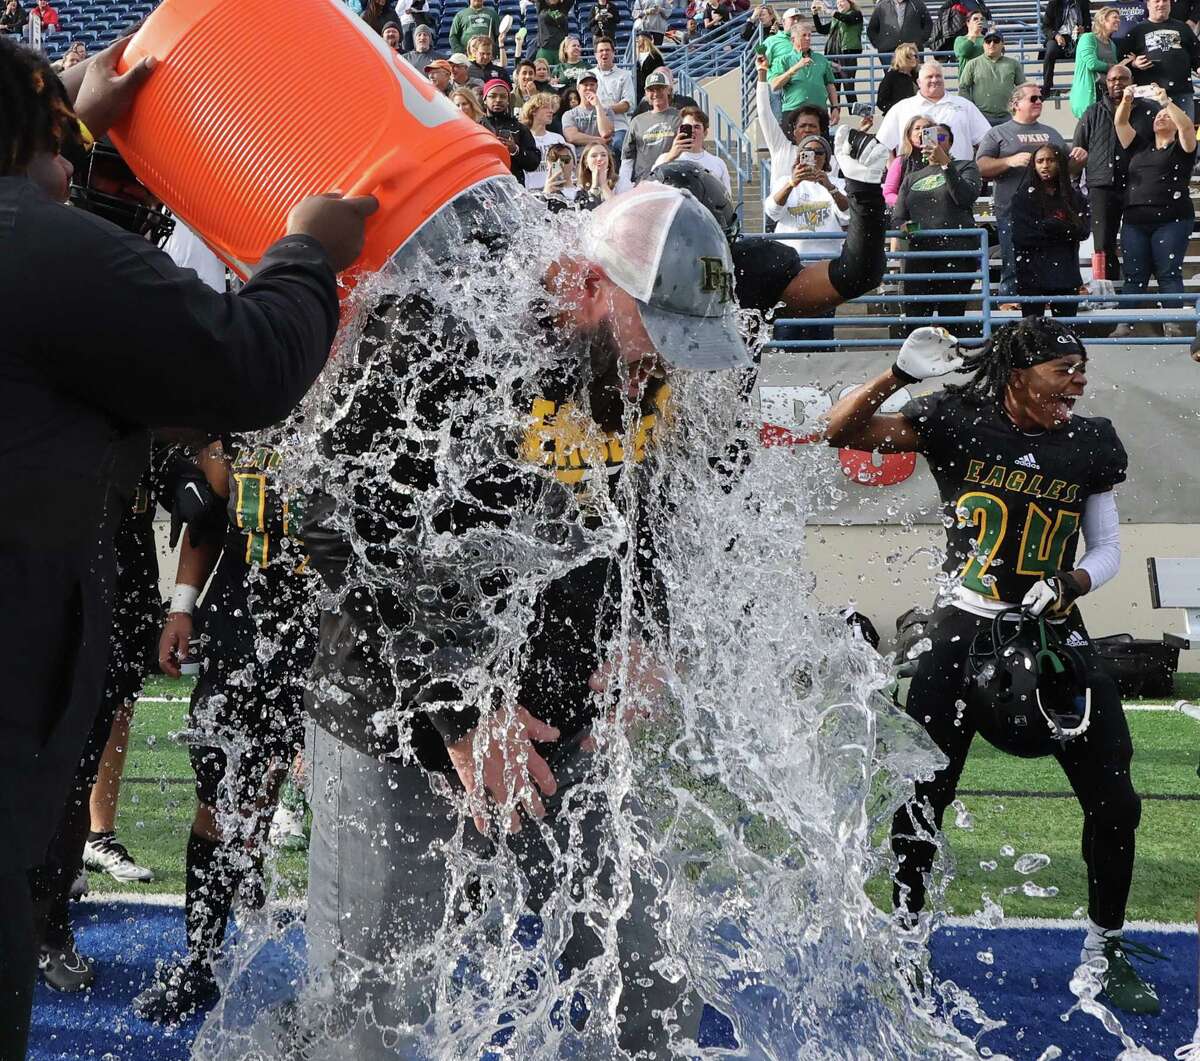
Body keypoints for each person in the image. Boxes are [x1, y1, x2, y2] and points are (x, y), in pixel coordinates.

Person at [297, 182, 748, 1060]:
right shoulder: (445, 326)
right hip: (398, 722)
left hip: (554, 726)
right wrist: (467, 711)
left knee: (652, 984)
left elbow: (644, 510)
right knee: (369, 1021)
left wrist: (642, 629)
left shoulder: (632, 369)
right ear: (583, 283)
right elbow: (339, 521)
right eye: (654, 337)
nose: (660, 366)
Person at [0, 34, 372, 1059]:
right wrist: (304, 255)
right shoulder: (31, 238)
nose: (71, 168)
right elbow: (238, 367)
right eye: (59, 142)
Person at [824, 318, 1159, 1018]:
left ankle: (1106, 948)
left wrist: (1068, 584)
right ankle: (909, 936)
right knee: (922, 795)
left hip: (1053, 625)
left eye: (1081, 369)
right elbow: (842, 432)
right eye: (1063, 368)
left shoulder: (1090, 441)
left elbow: (1107, 548)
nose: (1078, 381)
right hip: (962, 625)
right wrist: (897, 376)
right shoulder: (955, 418)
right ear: (1019, 371)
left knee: (1116, 798)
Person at [133, 438, 320, 1023]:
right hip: (246, 616)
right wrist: (181, 606)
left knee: (339, 795)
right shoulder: (246, 411)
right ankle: (203, 959)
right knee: (222, 788)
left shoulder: (365, 394)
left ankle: (339, 977)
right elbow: (207, 518)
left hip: (337, 620)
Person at [975, 84, 1079, 300]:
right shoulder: (998, 133)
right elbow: (981, 167)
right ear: (1015, 104)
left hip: (1052, 212)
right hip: (1013, 212)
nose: (1039, 101)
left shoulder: (1052, 133)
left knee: (1053, 265)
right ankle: (1013, 312)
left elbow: (1068, 171)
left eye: (1040, 98)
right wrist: (1009, 161)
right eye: (1033, 98)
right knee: (1014, 265)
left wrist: (1078, 161)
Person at [1112, 80, 1197, 337]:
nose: (1161, 117)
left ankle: (1173, 322)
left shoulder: (1183, 147)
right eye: (1158, 116)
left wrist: (1165, 101)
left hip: (1172, 219)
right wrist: (1126, 101)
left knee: (1168, 272)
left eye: (1165, 116)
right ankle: (1125, 324)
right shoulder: (1140, 146)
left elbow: (1185, 126)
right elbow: (1121, 124)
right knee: (1134, 274)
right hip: (1135, 219)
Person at [892, 124, 983, 328]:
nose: (936, 141)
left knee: (951, 320)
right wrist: (911, 229)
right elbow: (898, 218)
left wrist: (946, 164)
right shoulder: (911, 177)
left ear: (950, 142)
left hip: (956, 255)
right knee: (917, 322)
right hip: (919, 257)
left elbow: (965, 197)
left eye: (941, 138)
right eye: (931, 136)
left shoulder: (966, 166)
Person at [1073, 64, 1153, 281]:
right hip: (1102, 186)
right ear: (1106, 83)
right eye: (1112, 79)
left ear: (1131, 81)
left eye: (1122, 79)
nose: (1117, 83)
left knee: (1138, 241)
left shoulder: (1148, 110)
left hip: (1139, 185)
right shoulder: (1092, 112)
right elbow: (1078, 151)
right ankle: (1106, 291)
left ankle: (1136, 291)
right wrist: (1073, 188)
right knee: (1102, 244)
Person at [1012, 144, 1090, 318]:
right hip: (1032, 274)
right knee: (1032, 330)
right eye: (1040, 161)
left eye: (1050, 160)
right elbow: (1022, 236)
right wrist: (1060, 230)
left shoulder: (1073, 197)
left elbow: (1083, 231)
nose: (1045, 165)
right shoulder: (1023, 196)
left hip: (1065, 273)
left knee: (1065, 330)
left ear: (1060, 163)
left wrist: (1055, 227)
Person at [876, 59, 991, 160]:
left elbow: (986, 140)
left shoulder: (964, 105)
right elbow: (884, 146)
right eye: (929, 77)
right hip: (914, 177)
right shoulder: (902, 108)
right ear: (919, 83)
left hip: (958, 174)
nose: (935, 80)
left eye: (938, 76)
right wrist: (893, 172)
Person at [763, 133, 849, 259]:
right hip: (788, 259)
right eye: (808, 151)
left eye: (819, 152)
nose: (813, 156)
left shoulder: (838, 184)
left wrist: (830, 187)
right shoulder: (784, 181)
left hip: (827, 259)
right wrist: (792, 183)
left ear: (826, 158)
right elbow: (772, 212)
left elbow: (848, 215)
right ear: (799, 156)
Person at [1120, 0, 1200, 116]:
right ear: (1148, 4)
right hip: (1149, 94)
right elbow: (1121, 60)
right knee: (1149, 133)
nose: (1161, 4)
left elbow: (1196, 55)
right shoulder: (1136, 31)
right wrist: (1134, 64)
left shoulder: (1183, 28)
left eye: (1165, 1)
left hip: (1182, 92)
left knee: (1184, 132)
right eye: (1156, 1)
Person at [769, 19, 839, 131]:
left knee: (821, 147)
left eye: (809, 35)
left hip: (819, 113)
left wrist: (835, 107)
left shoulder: (821, 59)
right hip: (793, 112)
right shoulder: (783, 60)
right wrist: (795, 68)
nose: (808, 38)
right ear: (793, 39)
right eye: (804, 35)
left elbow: (830, 86)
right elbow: (774, 85)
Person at [620, 69, 680, 185]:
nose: (656, 93)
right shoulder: (637, 121)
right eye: (651, 90)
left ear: (668, 90)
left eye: (659, 88)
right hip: (643, 182)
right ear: (646, 93)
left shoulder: (679, 117)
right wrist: (624, 184)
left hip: (672, 181)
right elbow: (627, 157)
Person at [650, 104, 732, 190]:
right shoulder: (664, 158)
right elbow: (652, 185)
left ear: (705, 133)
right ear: (679, 130)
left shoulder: (718, 164)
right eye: (687, 127)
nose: (692, 131)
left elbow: (727, 198)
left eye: (696, 127)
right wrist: (671, 157)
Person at [1071, 6, 1128, 116]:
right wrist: (1114, 67)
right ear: (1103, 20)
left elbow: (1114, 68)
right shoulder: (1088, 38)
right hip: (1090, 93)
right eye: (1114, 17)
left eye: (1119, 18)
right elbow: (1092, 63)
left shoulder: (1111, 44)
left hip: (1106, 93)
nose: (1118, 20)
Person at [480, 78, 541, 182]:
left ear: (508, 101)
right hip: (484, 187)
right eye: (493, 96)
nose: (498, 100)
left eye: (503, 96)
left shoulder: (520, 128)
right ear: (485, 99)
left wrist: (515, 150)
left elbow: (533, 163)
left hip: (513, 187)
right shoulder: (477, 127)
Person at [959, 30, 1026, 124]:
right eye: (988, 41)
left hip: (1007, 116)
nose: (992, 44)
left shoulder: (1013, 64)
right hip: (980, 117)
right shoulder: (972, 64)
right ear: (983, 44)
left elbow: (1023, 88)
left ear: (1002, 44)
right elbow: (963, 88)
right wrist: (971, 109)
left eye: (996, 41)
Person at [812, 0, 863, 105]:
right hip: (832, 56)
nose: (839, 3)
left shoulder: (856, 14)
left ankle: (854, 114)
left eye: (842, 1)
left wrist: (827, 10)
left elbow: (847, 19)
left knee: (849, 88)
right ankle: (835, 114)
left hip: (847, 56)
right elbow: (821, 29)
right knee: (834, 90)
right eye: (838, 2)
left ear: (850, 2)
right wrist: (815, 15)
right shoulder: (836, 19)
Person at [592, 36, 635, 155]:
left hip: (618, 126)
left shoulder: (625, 75)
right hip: (593, 126)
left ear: (613, 53)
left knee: (619, 144)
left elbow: (628, 104)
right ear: (595, 55)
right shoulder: (589, 75)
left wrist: (604, 109)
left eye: (607, 50)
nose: (604, 53)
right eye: (601, 51)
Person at [883, 112, 935, 205]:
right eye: (917, 128)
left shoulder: (943, 159)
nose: (921, 132)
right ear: (909, 135)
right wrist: (908, 203)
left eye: (926, 129)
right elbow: (888, 193)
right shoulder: (901, 161)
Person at [521, 91, 567, 189]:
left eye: (551, 108)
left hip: (554, 190)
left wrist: (554, 167)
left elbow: (567, 162)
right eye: (546, 107)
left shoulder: (557, 139)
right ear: (533, 111)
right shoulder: (523, 138)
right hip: (530, 192)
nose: (551, 111)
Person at [562, 70, 617, 149]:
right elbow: (572, 137)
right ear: (578, 88)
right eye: (585, 85)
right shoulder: (569, 114)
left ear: (596, 87)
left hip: (603, 155)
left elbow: (605, 133)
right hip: (580, 157)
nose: (589, 88)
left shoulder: (607, 110)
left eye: (592, 84)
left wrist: (598, 105)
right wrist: (599, 140)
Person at [1042, 0, 1089, 93]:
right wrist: (1056, 35)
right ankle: (1047, 87)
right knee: (1051, 50)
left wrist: (1083, 29)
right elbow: (1046, 27)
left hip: (1077, 37)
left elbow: (1088, 25)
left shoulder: (1083, 2)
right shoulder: (1053, 3)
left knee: (1086, 51)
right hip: (1057, 37)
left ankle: (1085, 85)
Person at [866, 0, 932, 54]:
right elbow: (872, 29)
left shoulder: (918, 4)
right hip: (888, 51)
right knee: (891, 70)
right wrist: (880, 45)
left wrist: (920, 41)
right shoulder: (881, 6)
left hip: (912, 51)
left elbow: (928, 24)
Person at [876, 41, 920, 114]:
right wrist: (899, 109)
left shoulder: (918, 75)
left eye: (915, 56)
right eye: (910, 56)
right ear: (902, 57)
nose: (914, 58)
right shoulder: (891, 76)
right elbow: (881, 102)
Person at [576, 141, 619, 207]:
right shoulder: (579, 188)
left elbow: (618, 209)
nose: (599, 158)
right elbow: (588, 212)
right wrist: (594, 186)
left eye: (603, 155)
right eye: (594, 156)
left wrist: (603, 185)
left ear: (609, 160)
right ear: (586, 162)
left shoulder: (620, 182)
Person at [540, 141, 580, 205]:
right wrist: (545, 195)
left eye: (565, 159)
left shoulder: (583, 193)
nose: (560, 163)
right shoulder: (539, 194)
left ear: (574, 164)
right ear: (547, 165)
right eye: (554, 159)